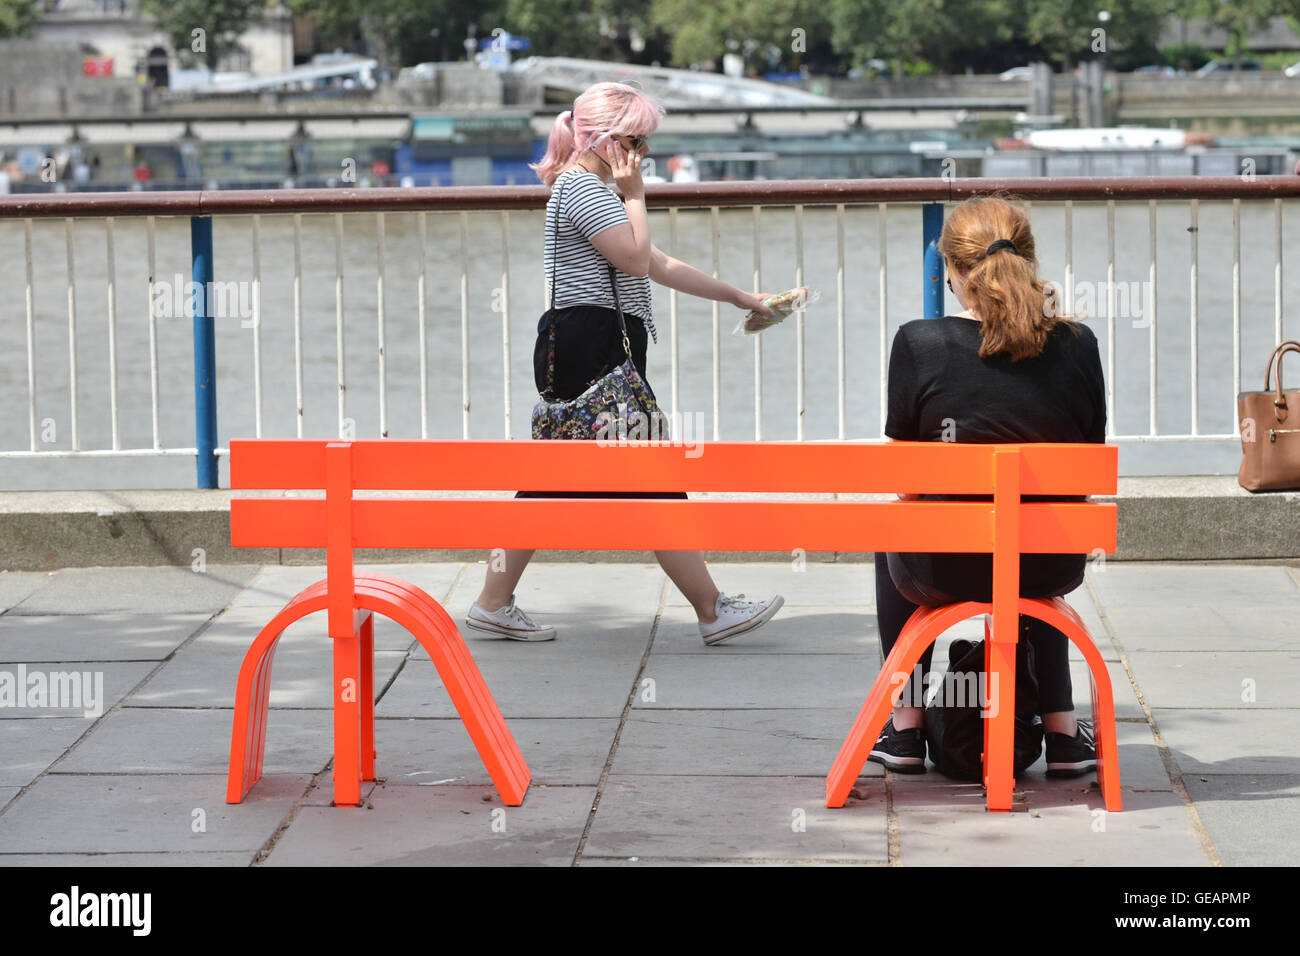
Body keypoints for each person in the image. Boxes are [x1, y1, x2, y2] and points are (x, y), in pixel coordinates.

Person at [464, 82, 785, 646]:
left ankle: (494, 600)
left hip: (584, 345)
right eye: (637, 140)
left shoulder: (586, 188)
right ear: (608, 140)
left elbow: (657, 263)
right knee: (653, 476)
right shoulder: (588, 191)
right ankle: (713, 611)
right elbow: (638, 256)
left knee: (553, 480)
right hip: (594, 348)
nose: (643, 154)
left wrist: (738, 296)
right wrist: (636, 193)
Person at [868, 195, 1105, 778]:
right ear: (1027, 259)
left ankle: (904, 730)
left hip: (941, 568)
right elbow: (1089, 460)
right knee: (1032, 535)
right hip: (1047, 563)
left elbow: (903, 478)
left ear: (951, 270)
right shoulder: (1077, 344)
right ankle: (1065, 736)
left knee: (897, 526)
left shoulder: (918, 343)